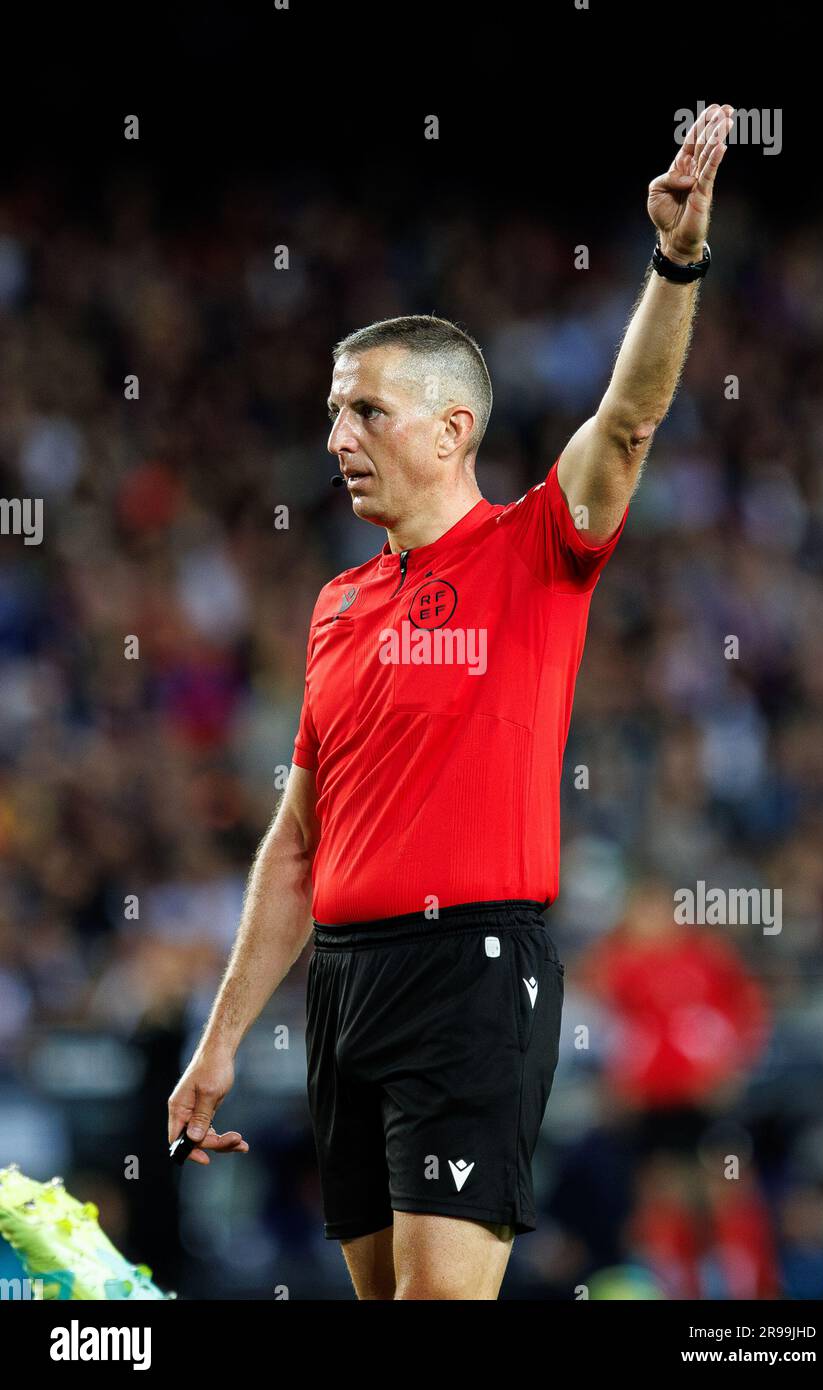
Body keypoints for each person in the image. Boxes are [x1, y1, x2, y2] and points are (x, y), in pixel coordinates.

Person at [168, 104, 733, 1300]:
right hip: (343, 984)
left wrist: (674, 258)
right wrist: (221, 1037)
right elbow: (295, 842)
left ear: (450, 426)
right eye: (331, 412)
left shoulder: (534, 547)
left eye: (364, 410)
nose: (337, 436)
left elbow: (626, 420)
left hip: (467, 967)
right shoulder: (334, 603)